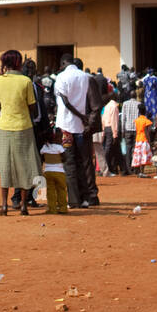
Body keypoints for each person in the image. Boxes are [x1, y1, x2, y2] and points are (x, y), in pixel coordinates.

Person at [0, 50, 42, 216]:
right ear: (19, 63)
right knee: (24, 165)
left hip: (5, 127)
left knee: (5, 165)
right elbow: (32, 106)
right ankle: (23, 205)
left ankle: (4, 205)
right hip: (23, 126)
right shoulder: (26, 81)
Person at [55, 54, 98, 207]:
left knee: (69, 163)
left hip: (66, 126)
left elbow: (65, 102)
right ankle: (86, 198)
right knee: (83, 162)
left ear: (63, 63)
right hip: (81, 127)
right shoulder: (85, 77)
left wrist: (80, 116)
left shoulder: (61, 77)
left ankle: (74, 200)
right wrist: (84, 118)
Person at [39, 136, 67, 214]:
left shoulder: (44, 147)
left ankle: (52, 209)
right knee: (61, 190)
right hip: (59, 172)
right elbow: (65, 158)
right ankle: (63, 208)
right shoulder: (59, 147)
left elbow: (42, 158)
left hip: (48, 171)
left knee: (50, 191)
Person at [132, 105, 153, 176]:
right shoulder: (147, 121)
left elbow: (136, 130)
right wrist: (149, 141)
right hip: (144, 139)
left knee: (138, 155)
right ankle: (142, 172)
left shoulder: (137, 120)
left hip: (138, 139)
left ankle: (138, 171)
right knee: (144, 156)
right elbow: (147, 132)